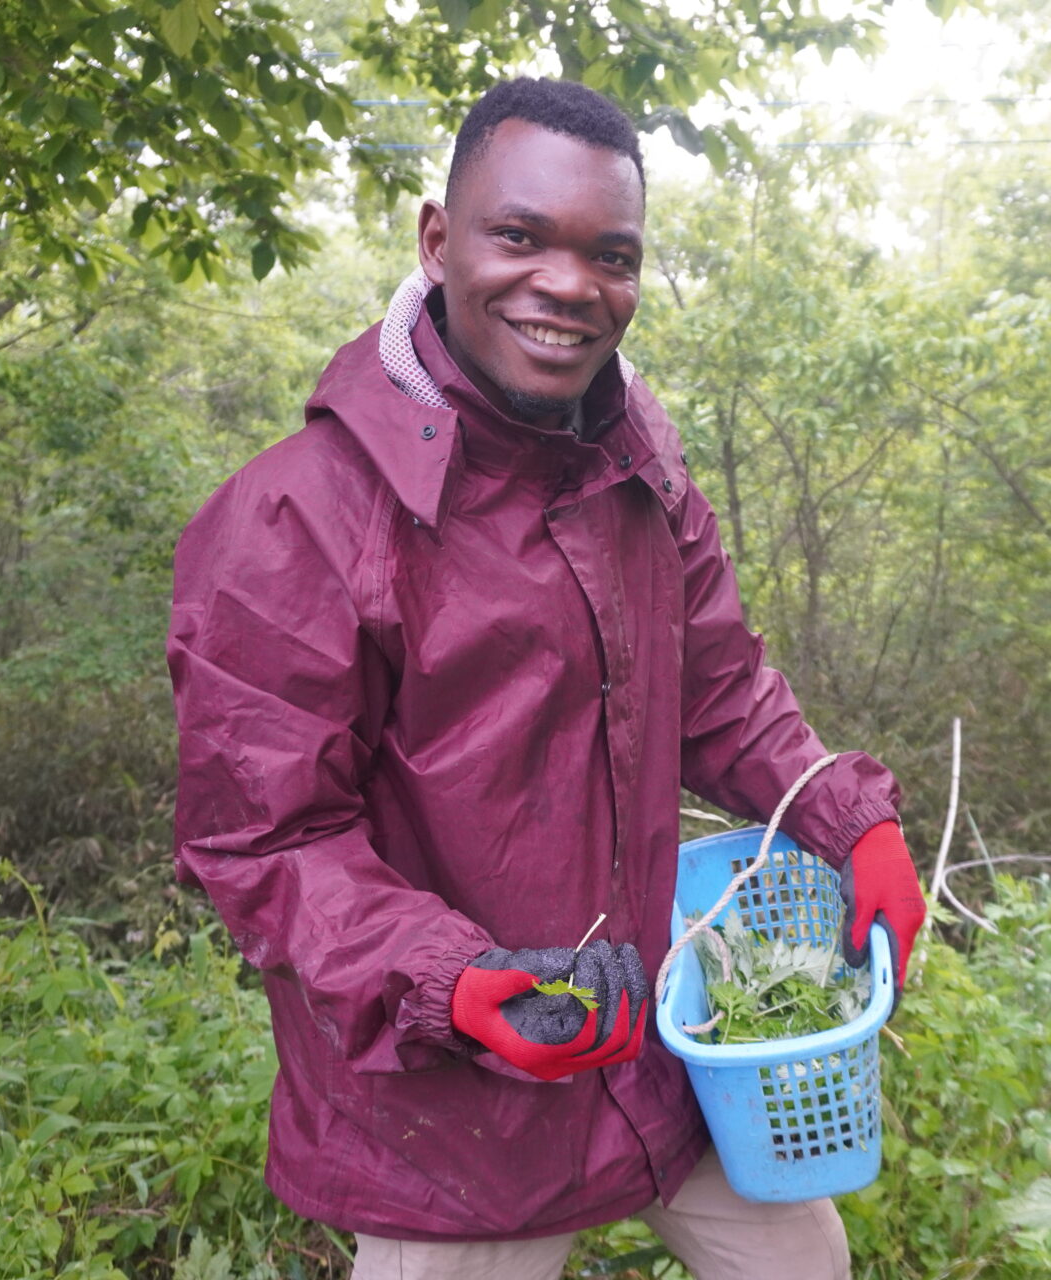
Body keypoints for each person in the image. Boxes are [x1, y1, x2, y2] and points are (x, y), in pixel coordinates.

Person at [166, 77, 926, 1280]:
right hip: (454, 1111)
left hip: (662, 1045)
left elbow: (719, 688)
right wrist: (452, 980)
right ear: (437, 240)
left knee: (804, 1260)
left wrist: (849, 816)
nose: (569, 284)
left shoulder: (640, 459)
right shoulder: (295, 518)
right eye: (520, 235)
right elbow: (261, 839)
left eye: (610, 254)